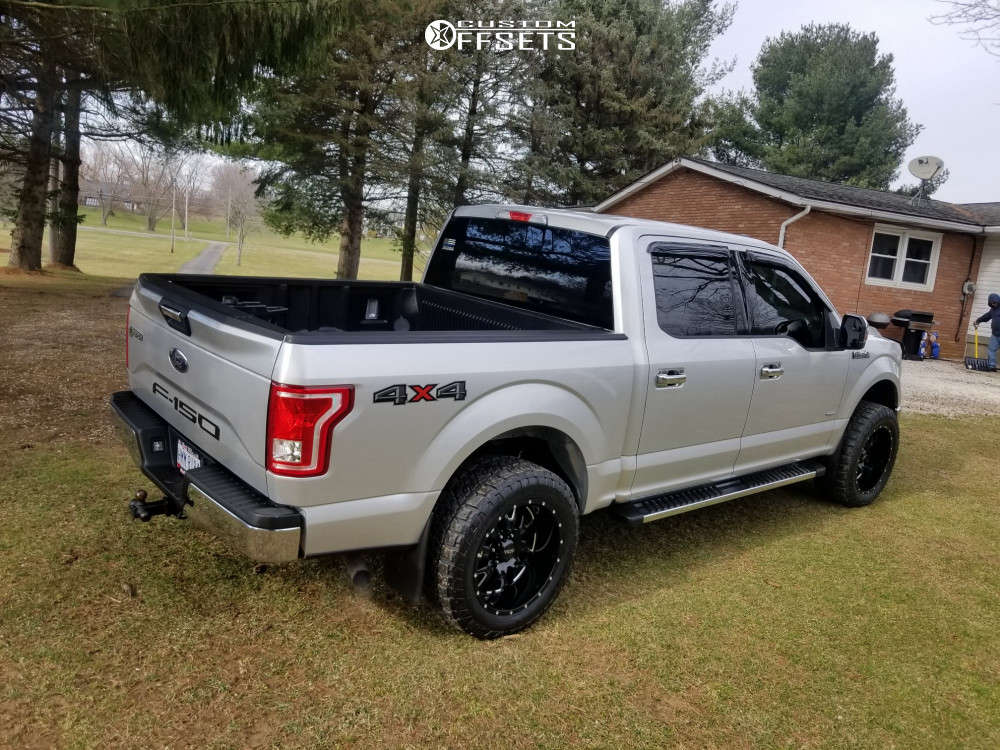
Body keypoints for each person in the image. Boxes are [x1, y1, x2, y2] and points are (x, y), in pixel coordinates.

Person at [974, 292, 1000, 370]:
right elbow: (986, 317)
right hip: (995, 335)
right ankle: (991, 365)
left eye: (995, 302)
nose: (994, 304)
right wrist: (978, 320)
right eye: (992, 303)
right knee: (991, 349)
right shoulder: (992, 310)